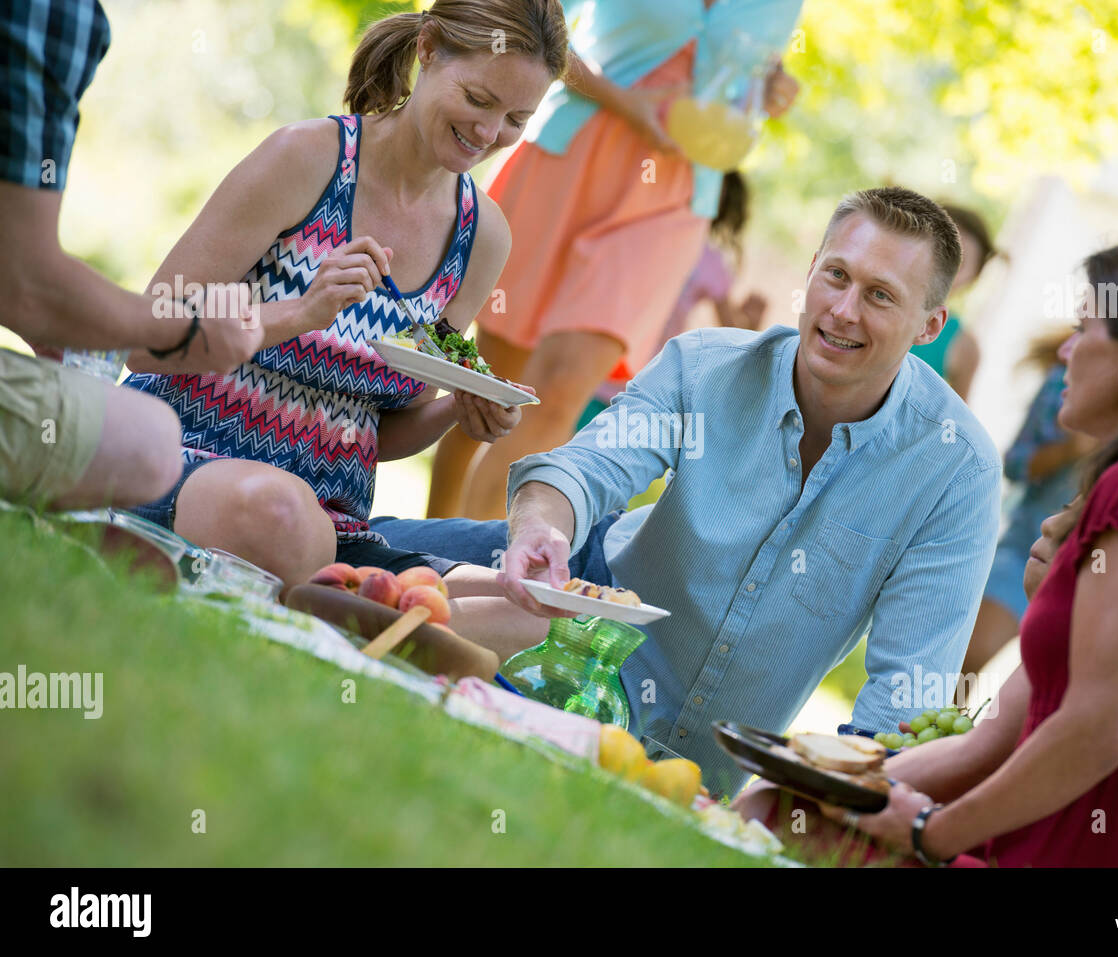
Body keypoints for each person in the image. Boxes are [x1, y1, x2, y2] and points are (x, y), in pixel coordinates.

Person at [372, 187, 1002, 796]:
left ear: (930, 325)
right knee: (347, 556)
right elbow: (589, 466)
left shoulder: (957, 471)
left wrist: (834, 801)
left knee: (408, 619)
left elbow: (906, 692)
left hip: (703, 761)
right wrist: (543, 527)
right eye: (836, 275)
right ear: (810, 271)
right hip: (579, 596)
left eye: (880, 296)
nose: (844, 310)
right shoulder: (706, 366)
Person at [742, 242, 1118, 867]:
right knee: (784, 804)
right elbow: (999, 734)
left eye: (1082, 328)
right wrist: (835, 780)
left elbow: (1101, 729)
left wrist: (931, 830)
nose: (1065, 352)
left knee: (777, 819)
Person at [118, 1, 568, 594]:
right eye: (479, 100)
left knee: (517, 608)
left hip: (332, 525)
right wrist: (300, 313)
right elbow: (146, 341)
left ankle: (340, 600)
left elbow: (382, 431)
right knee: (283, 517)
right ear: (428, 49)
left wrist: (458, 409)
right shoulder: (306, 159)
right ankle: (345, 603)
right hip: (176, 459)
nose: (488, 134)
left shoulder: (482, 237)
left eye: (515, 118)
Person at [426, 0, 805, 520]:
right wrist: (625, 102)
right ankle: (424, 545)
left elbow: (751, 74)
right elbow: (538, 33)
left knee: (556, 392)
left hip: (676, 195)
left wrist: (773, 87)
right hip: (572, 155)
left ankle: (471, 572)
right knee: (489, 389)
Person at [1, 0, 262, 511]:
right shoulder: (52, 11)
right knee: (149, 440)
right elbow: (25, 282)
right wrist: (189, 329)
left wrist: (49, 321)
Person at [570, 170, 768, 437]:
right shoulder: (669, 240)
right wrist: (752, 323)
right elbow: (735, 331)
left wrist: (751, 323)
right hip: (628, 370)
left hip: (626, 368)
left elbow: (732, 333)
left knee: (575, 443)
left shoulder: (703, 257)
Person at [961, 328, 1093, 675]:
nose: (1068, 349)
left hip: (1089, 582)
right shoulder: (1062, 383)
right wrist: (1071, 449)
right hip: (1024, 553)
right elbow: (1016, 463)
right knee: (969, 663)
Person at [907, 204, 994, 401]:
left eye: (958, 263)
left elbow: (952, 422)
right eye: (938, 251)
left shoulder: (964, 347)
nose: (941, 266)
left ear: (973, 277)